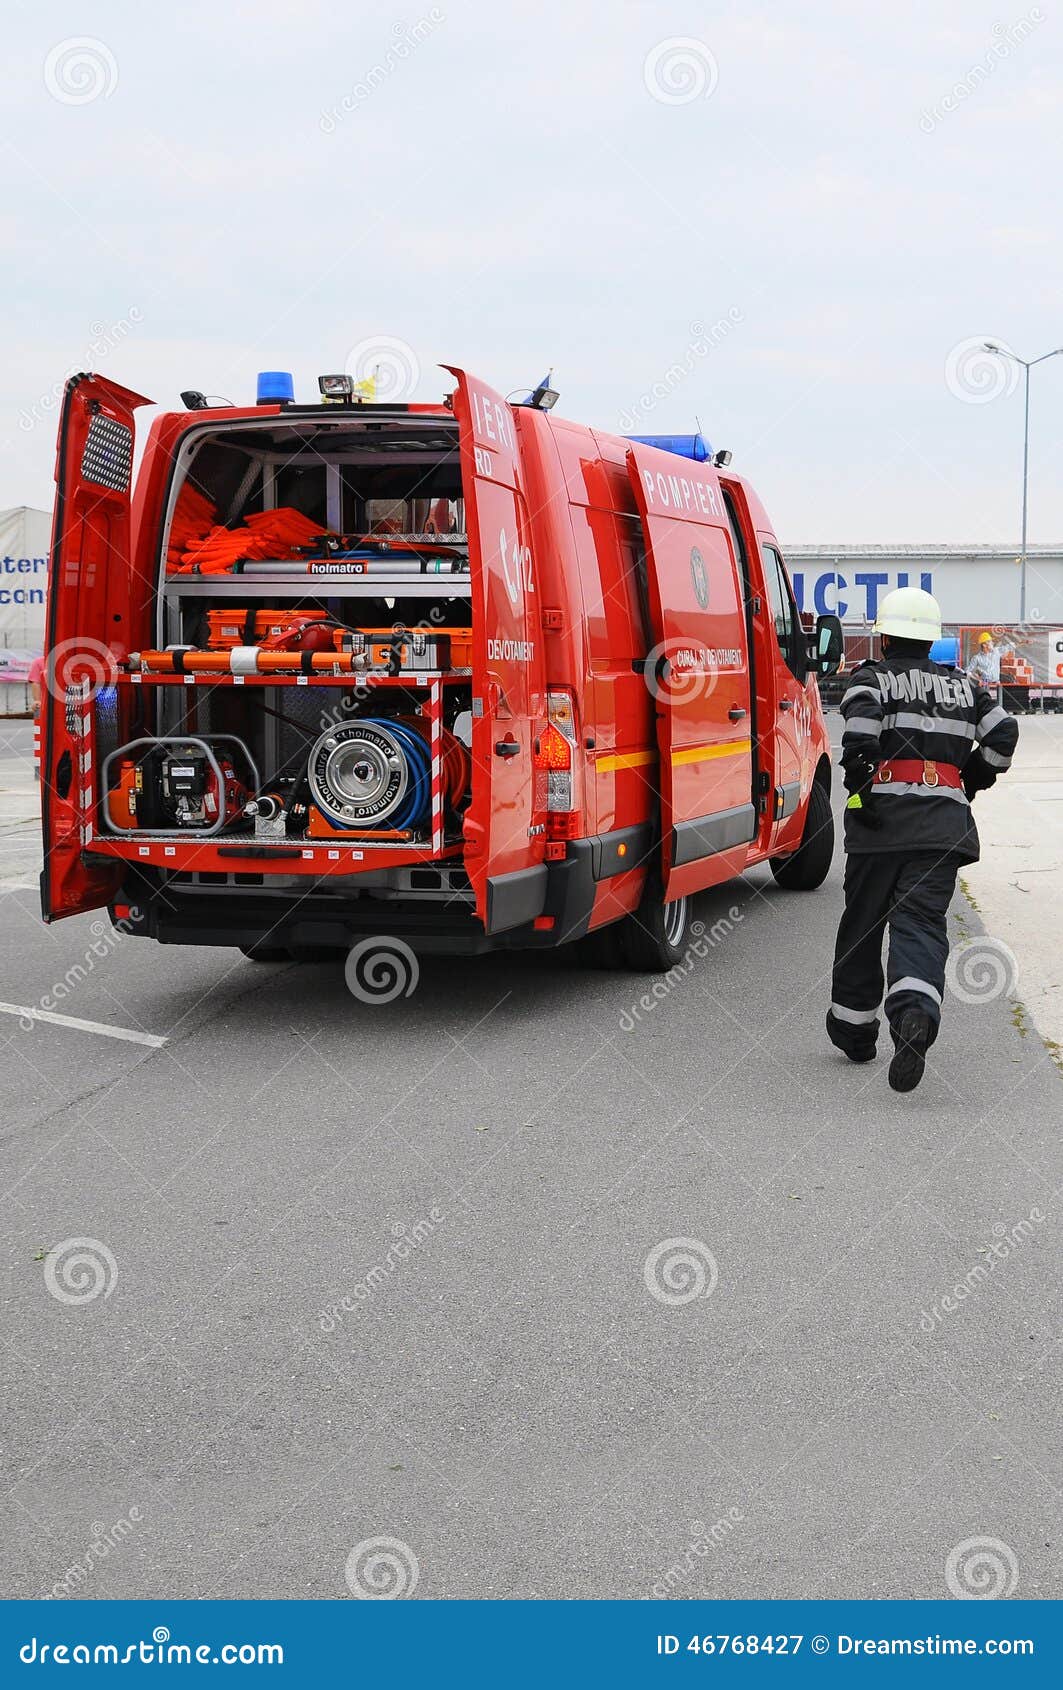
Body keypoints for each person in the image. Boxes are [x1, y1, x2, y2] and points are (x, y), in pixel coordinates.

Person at [826, 588, 1018, 1092]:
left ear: (884, 639)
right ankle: (915, 1013)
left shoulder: (869, 679)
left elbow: (859, 742)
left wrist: (863, 794)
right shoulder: (965, 687)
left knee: (863, 925)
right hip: (940, 832)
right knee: (920, 924)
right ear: (931, 641)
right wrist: (971, 778)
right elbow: (1004, 734)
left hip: (879, 831)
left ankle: (854, 1030)